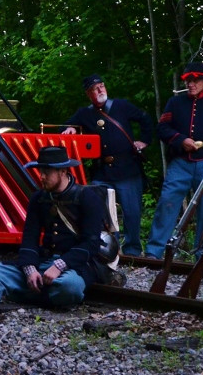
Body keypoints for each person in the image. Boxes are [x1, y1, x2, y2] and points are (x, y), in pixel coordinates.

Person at [0, 146, 104, 327]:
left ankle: (22, 293)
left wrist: (60, 265)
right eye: (40, 171)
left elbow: (91, 243)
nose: (41, 176)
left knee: (70, 287)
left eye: (46, 172)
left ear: (63, 171)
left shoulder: (87, 197)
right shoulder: (38, 198)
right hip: (43, 261)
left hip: (74, 265)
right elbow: (30, 238)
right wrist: (30, 269)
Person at [145, 61, 203, 259]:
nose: (191, 84)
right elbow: (162, 128)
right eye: (188, 80)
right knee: (167, 202)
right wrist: (180, 140)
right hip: (180, 162)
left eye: (195, 80)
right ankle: (154, 252)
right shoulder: (175, 103)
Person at [62, 74, 153, 256]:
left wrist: (144, 141)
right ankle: (111, 251)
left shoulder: (121, 106)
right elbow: (64, 126)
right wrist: (70, 128)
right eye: (95, 89)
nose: (100, 90)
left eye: (101, 86)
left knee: (132, 213)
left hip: (128, 168)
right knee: (102, 214)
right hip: (101, 172)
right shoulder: (85, 113)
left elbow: (145, 119)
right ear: (89, 94)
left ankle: (133, 251)